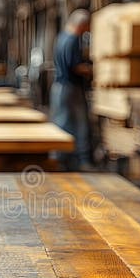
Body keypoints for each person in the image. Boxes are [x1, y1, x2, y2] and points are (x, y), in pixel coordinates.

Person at [50, 9, 93, 171]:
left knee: (62, 122)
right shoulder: (73, 39)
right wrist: (92, 70)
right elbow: (75, 66)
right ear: (82, 24)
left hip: (59, 86)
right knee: (80, 124)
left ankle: (59, 158)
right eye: (87, 26)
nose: (88, 29)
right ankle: (83, 161)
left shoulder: (61, 37)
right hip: (70, 87)